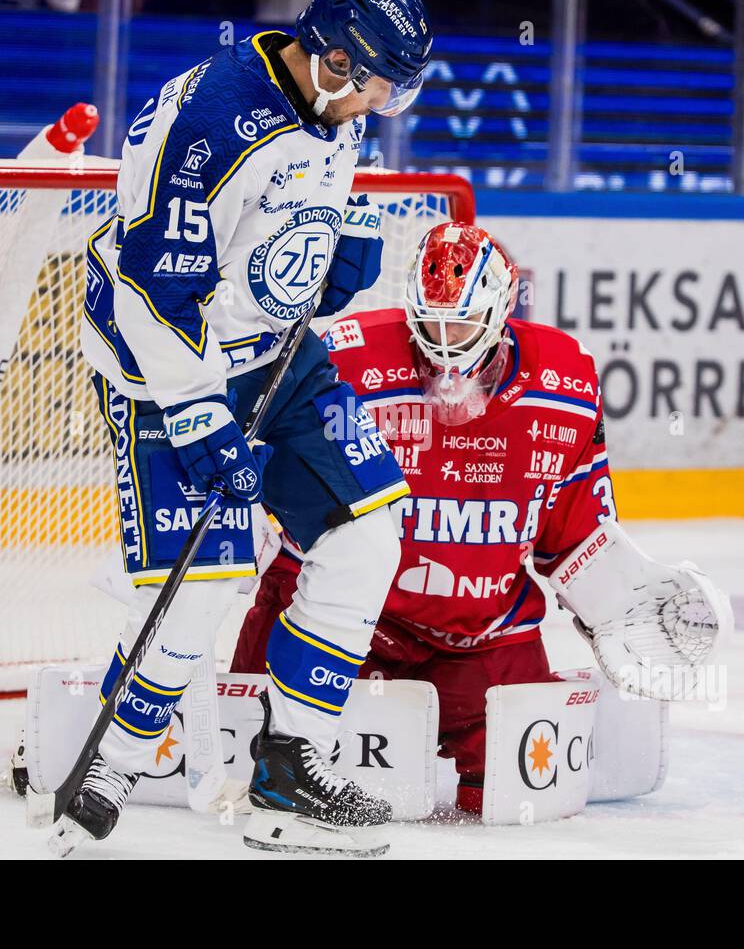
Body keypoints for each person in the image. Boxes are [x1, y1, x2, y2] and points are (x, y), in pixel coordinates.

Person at [59, 0, 433, 857]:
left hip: (274, 353)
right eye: (383, 85)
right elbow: (156, 289)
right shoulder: (215, 121)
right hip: (166, 361)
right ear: (337, 59)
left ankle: (291, 764)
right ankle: (111, 765)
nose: (386, 104)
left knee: (370, 528)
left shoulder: (332, 95)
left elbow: (315, 176)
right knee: (202, 591)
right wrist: (197, 417)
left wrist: (344, 234)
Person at [232, 221, 621, 813]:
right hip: (341, 620)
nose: (443, 345)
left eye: (460, 324)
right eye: (430, 325)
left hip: (485, 634)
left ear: (498, 313)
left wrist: (616, 607)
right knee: (257, 775)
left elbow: (573, 530)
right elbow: (263, 459)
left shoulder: (565, 380)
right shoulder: (346, 356)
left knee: (516, 803)